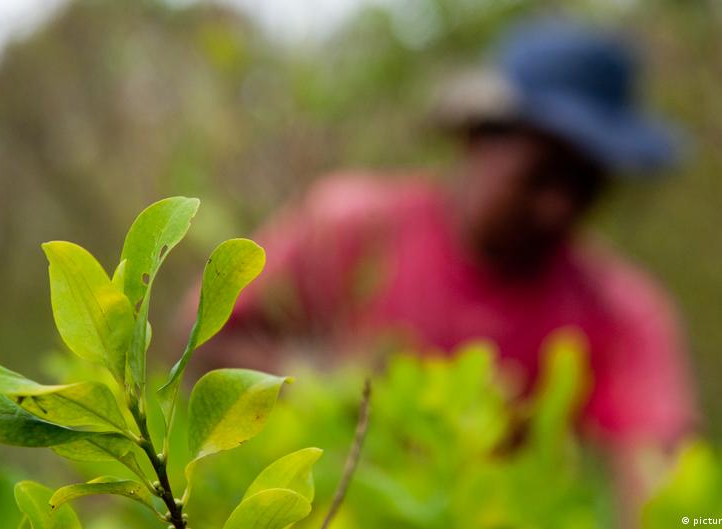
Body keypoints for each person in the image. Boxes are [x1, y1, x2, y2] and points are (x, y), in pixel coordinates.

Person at [185, 17, 696, 523]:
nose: (559, 208)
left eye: (586, 186)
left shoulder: (619, 310)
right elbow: (199, 334)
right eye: (540, 176)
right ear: (479, 139)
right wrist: (331, 399)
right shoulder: (350, 227)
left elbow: (657, 476)